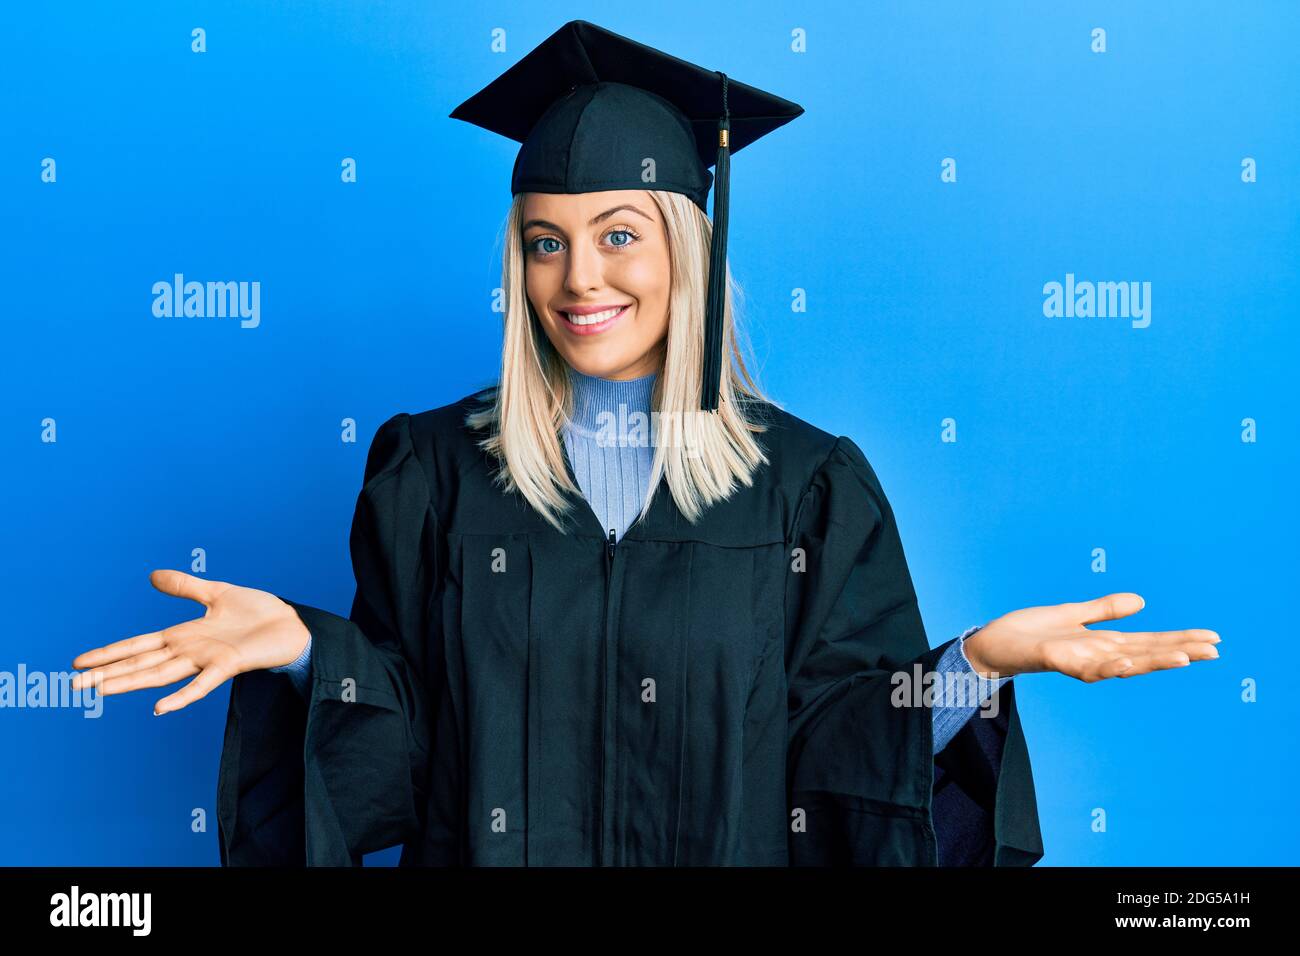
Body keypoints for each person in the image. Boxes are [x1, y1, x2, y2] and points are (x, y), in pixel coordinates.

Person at [70, 21, 1220, 867]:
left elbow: (834, 749)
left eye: (619, 234)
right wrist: (312, 656)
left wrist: (976, 663)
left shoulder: (809, 488)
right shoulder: (430, 472)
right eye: (543, 242)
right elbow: (410, 751)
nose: (580, 278)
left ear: (688, 249)